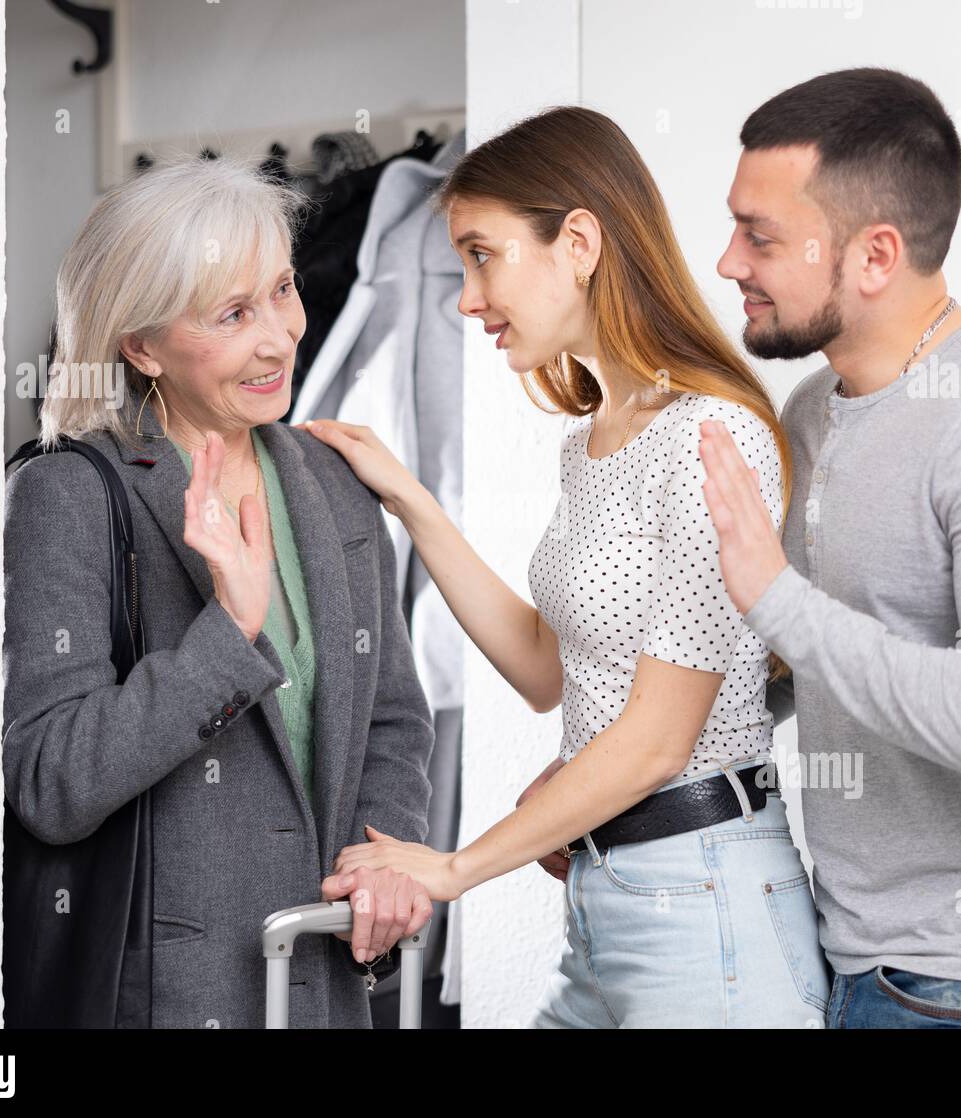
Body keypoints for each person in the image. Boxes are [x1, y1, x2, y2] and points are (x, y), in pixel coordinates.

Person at [304, 106, 829, 1027]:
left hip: (709, 907)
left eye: (482, 255)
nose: (466, 298)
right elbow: (550, 670)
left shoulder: (711, 437)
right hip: (607, 900)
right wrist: (413, 502)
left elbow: (662, 738)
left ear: (577, 241)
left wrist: (455, 866)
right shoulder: (595, 438)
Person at [699, 67, 961, 1028]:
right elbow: (811, 664)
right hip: (859, 955)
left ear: (875, 255)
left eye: (759, 236)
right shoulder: (813, 412)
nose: (729, 262)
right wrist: (623, 779)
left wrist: (778, 600)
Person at [2, 153, 434, 1028]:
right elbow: (50, 781)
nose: (278, 336)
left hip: (323, 980)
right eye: (233, 313)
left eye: (281, 291)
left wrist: (385, 856)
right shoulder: (72, 493)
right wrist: (230, 633)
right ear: (142, 344)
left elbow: (393, 718)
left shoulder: (333, 479)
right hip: (169, 995)